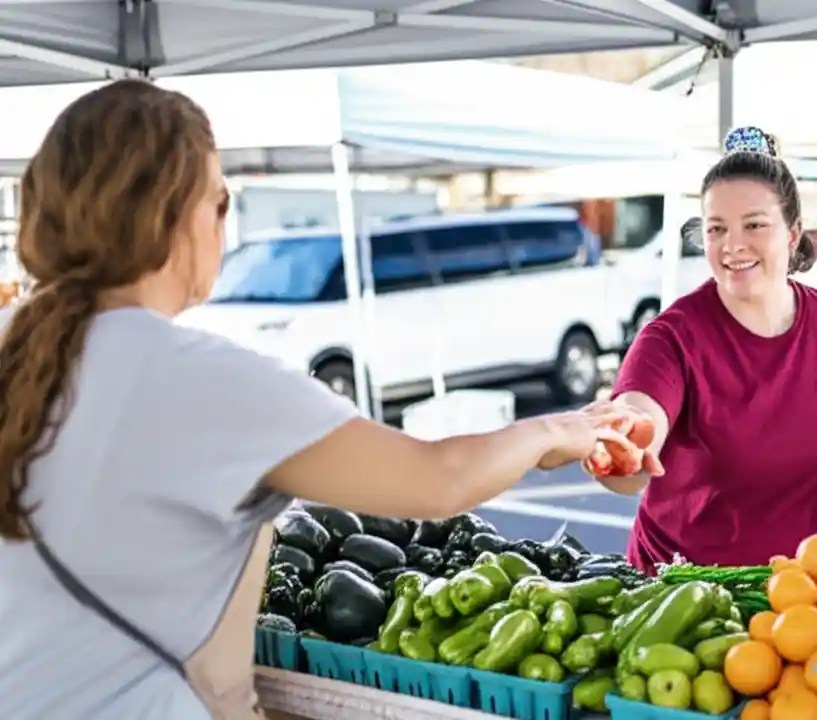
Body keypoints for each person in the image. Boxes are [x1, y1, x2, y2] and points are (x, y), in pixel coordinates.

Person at [0, 80, 651, 720]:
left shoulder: (21, 351)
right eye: (220, 203)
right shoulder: (194, 376)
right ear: (166, 215)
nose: (223, 227)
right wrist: (556, 433)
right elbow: (435, 479)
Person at [588, 126, 817, 574]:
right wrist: (619, 444)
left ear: (793, 234)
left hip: (811, 594)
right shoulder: (671, 338)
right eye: (716, 229)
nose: (733, 245)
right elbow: (641, 430)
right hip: (689, 602)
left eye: (754, 225)